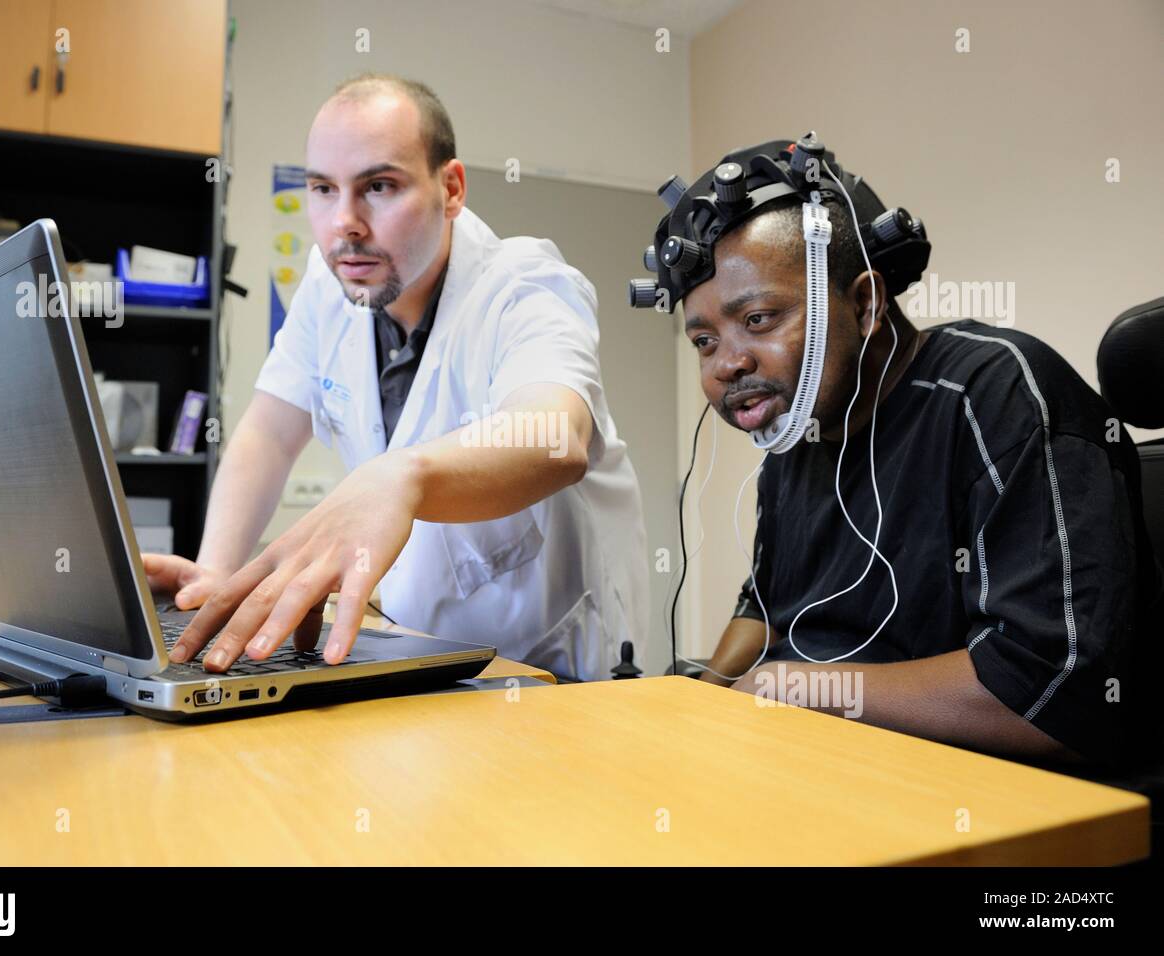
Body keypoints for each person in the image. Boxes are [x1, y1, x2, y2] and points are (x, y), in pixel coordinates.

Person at [144, 74, 647, 682]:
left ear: (451, 187)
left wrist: (398, 479)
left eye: (379, 186)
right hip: (418, 658)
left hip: (547, 669)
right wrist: (215, 578)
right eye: (323, 189)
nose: (345, 223)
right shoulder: (330, 282)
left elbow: (556, 439)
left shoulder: (525, 285)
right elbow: (270, 434)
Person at [674, 144, 1159, 765]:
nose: (728, 363)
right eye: (704, 341)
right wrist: (703, 699)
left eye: (761, 318)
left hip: (994, 794)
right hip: (830, 758)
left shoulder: (995, 393)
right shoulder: (800, 435)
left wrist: (793, 685)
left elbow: (1047, 692)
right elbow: (765, 608)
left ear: (866, 304)